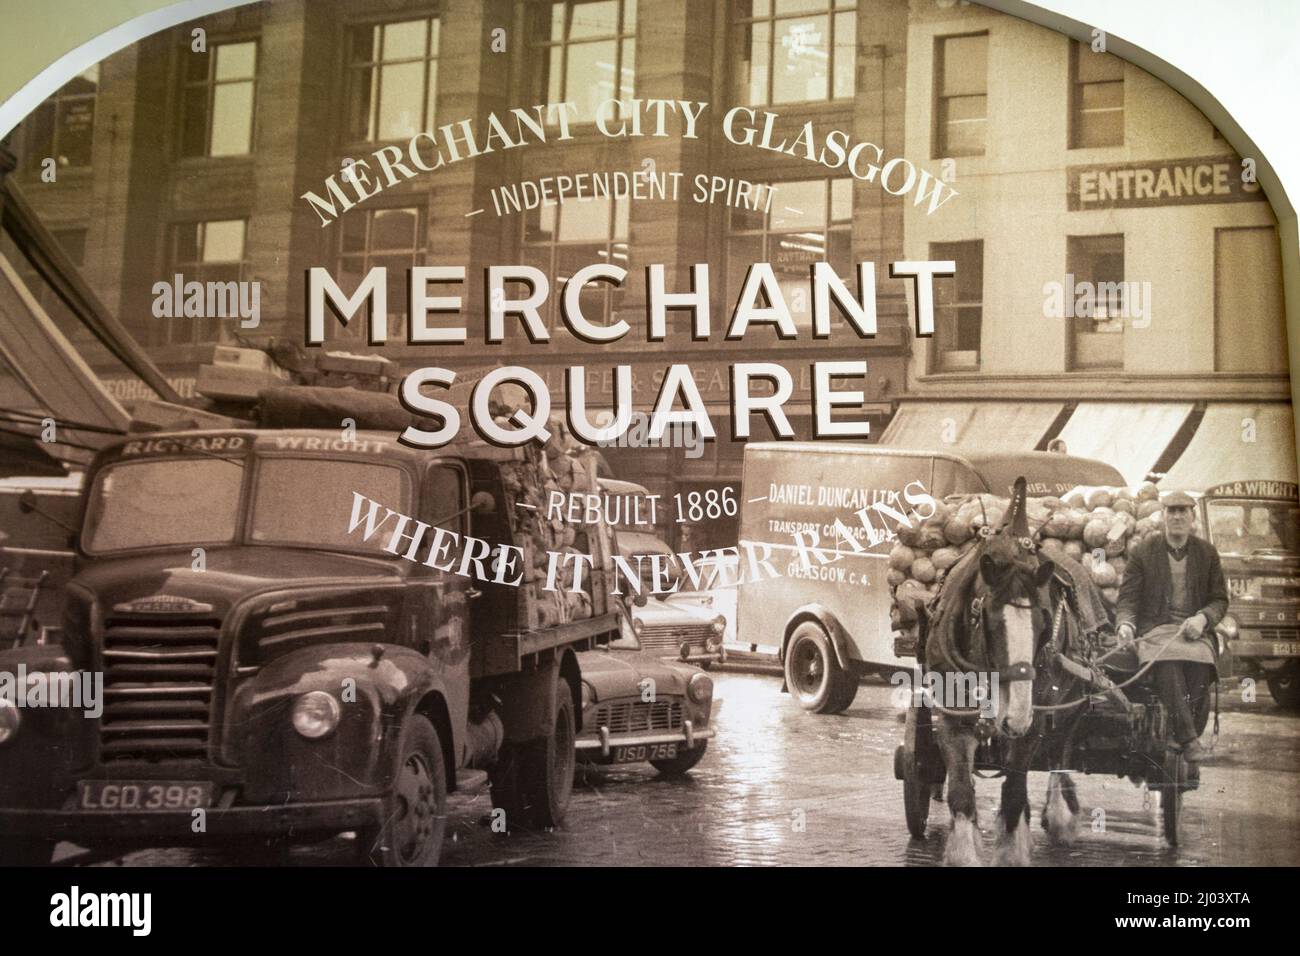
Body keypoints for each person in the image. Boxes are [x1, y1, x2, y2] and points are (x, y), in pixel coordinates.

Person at [1115, 490, 1228, 763]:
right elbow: (1128, 598)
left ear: (1192, 518)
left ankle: (1184, 735)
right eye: (1172, 511)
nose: (1177, 516)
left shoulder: (1207, 554)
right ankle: (1189, 740)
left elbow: (1219, 600)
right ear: (1163, 516)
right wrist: (1126, 625)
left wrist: (1202, 618)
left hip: (1195, 632)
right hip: (1156, 631)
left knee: (1202, 668)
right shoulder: (1143, 552)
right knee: (1166, 664)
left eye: (1183, 511)